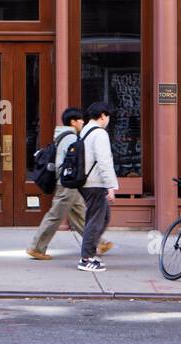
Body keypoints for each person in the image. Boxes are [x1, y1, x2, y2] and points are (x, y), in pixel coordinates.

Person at [26, 107, 112, 261]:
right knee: (55, 215)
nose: (83, 122)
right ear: (73, 122)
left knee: (79, 213)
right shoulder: (71, 138)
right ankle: (36, 247)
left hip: (67, 182)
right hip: (68, 183)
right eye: (80, 120)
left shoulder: (63, 136)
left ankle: (99, 242)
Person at [77, 101, 118, 273]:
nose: (108, 119)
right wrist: (111, 186)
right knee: (95, 221)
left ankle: (92, 250)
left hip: (85, 181)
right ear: (102, 116)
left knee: (104, 217)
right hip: (95, 183)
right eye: (108, 116)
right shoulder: (100, 133)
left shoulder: (85, 130)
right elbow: (104, 161)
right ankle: (86, 258)